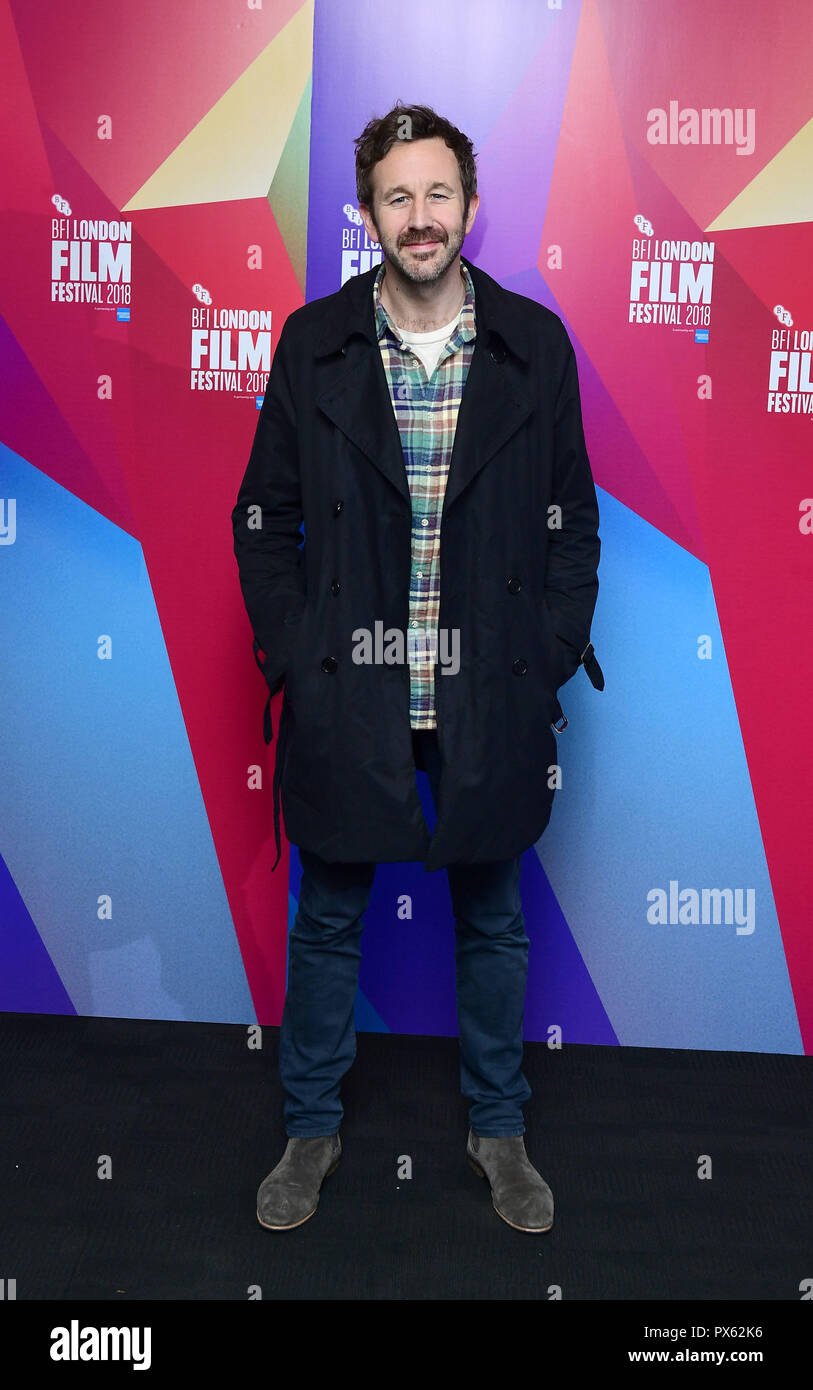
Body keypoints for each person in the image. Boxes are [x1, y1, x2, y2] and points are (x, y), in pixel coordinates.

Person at [231, 102, 603, 1234]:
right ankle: (309, 1127)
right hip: (358, 680)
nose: (421, 216)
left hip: (488, 683)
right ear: (368, 215)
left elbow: (572, 524)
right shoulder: (314, 342)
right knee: (328, 915)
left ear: (471, 206)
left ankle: (500, 1128)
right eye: (397, 196)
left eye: (439, 193)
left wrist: (541, 657)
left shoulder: (536, 345)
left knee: (493, 915)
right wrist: (301, 649)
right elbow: (263, 518)